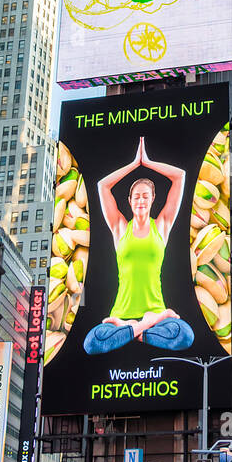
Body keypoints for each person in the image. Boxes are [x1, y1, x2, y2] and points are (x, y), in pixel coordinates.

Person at [83, 137, 195, 354]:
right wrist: (135, 164)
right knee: (91, 343)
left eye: (145, 196)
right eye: (136, 197)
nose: (141, 200)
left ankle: (131, 332)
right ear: (129, 200)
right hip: (120, 316)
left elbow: (180, 176)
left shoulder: (161, 226)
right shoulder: (120, 228)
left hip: (153, 315)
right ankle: (140, 329)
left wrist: (148, 162)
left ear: (153, 199)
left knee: (184, 335)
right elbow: (102, 186)